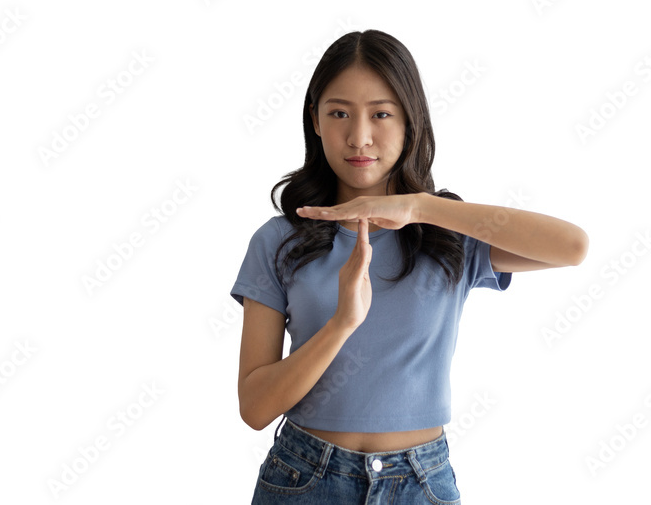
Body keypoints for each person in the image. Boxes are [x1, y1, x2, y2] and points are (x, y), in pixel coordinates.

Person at [230, 29, 588, 504]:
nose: (359, 136)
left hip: (419, 483)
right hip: (304, 478)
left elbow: (572, 246)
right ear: (315, 120)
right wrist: (341, 324)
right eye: (339, 113)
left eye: (381, 114)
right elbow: (255, 407)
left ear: (410, 121)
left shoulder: (447, 236)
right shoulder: (278, 241)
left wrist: (421, 208)